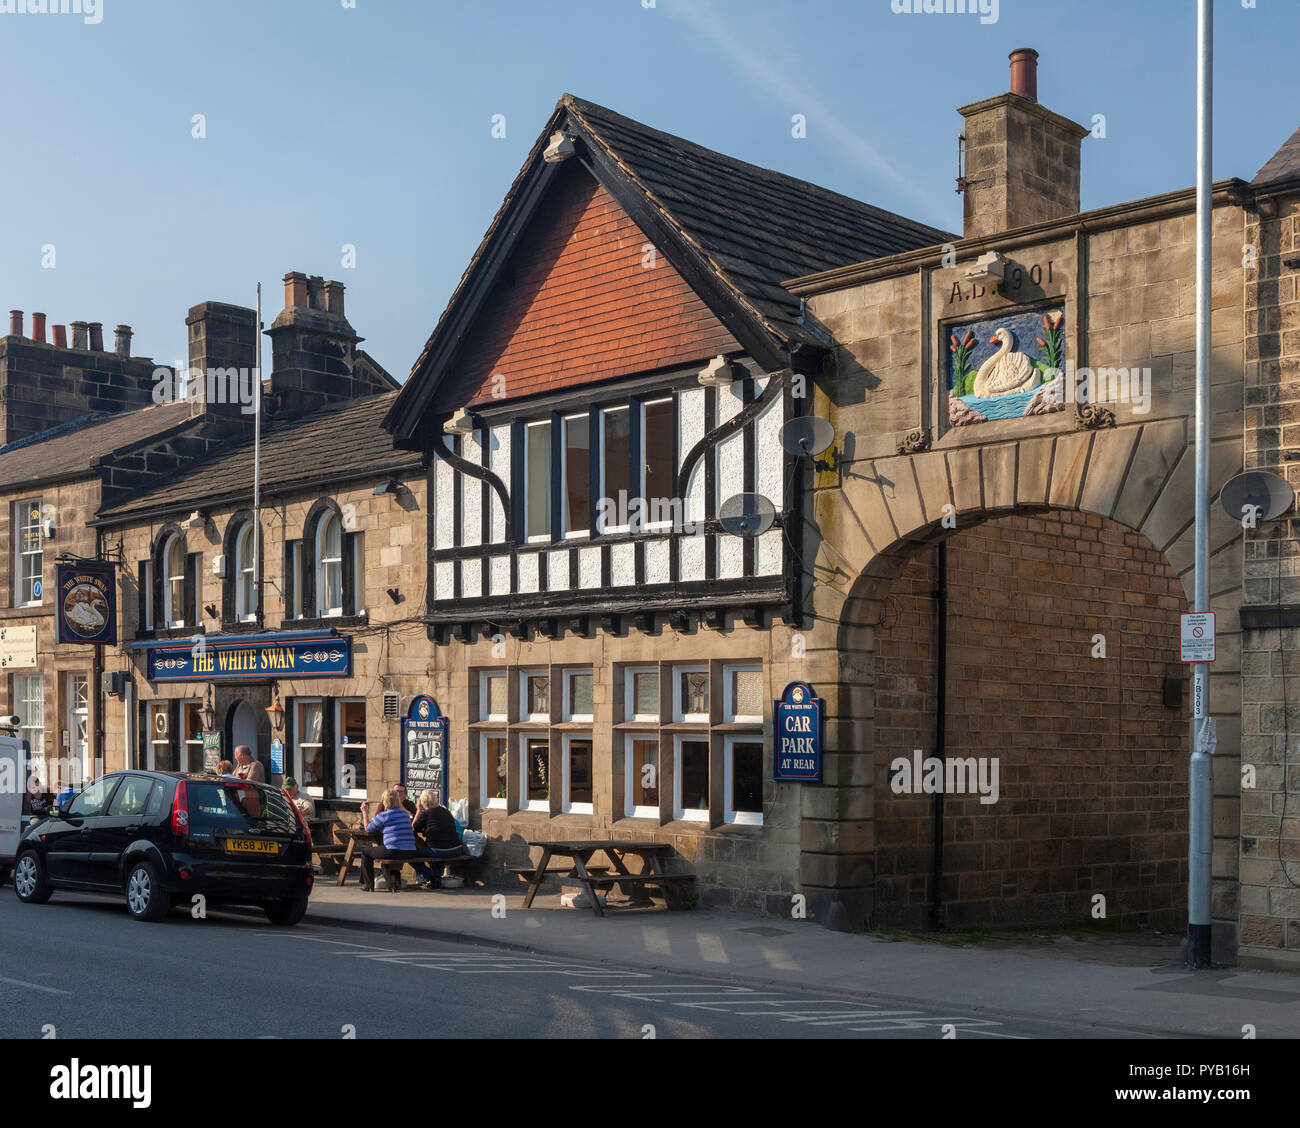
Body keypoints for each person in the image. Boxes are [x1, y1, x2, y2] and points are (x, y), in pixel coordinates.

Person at [357, 789, 417, 892]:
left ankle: (368, 885)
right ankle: (392, 883)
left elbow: (368, 828)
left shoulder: (384, 815)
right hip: (410, 851)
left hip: (393, 850)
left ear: (384, 801)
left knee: (365, 851)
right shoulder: (405, 815)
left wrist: (365, 813)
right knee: (383, 850)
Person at [411, 789, 464, 890]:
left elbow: (413, 828)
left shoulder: (426, 814)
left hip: (439, 850)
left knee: (409, 855)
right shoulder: (446, 811)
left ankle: (430, 876)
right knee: (432, 847)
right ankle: (436, 879)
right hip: (456, 849)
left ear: (421, 802)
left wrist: (418, 811)